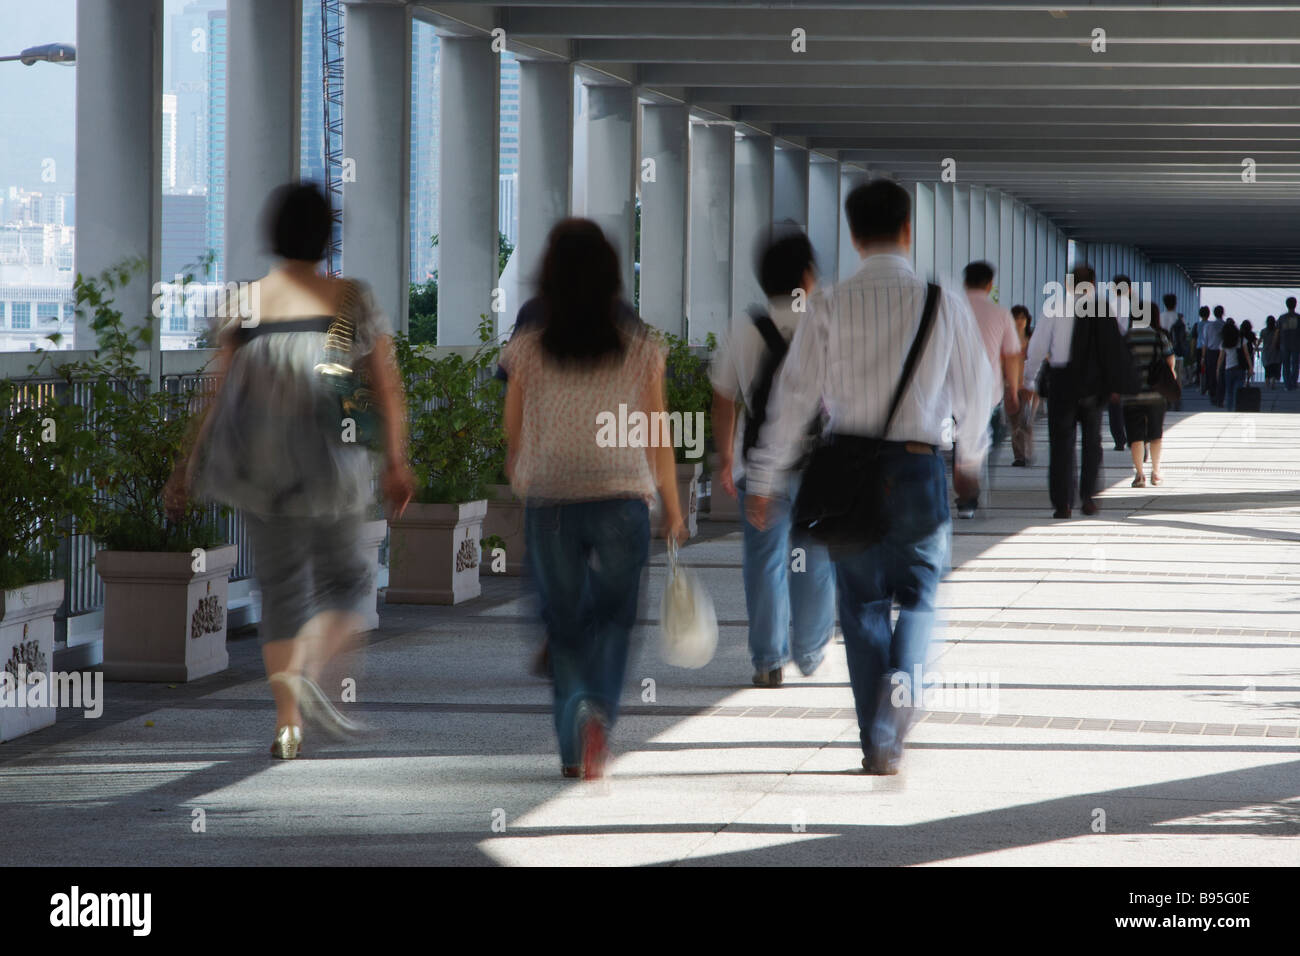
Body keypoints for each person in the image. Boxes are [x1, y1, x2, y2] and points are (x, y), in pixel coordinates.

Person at [744, 179, 995, 776]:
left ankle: (874, 742)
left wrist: (764, 476)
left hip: (847, 471)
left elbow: (794, 396)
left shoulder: (827, 304)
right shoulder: (944, 302)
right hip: (917, 467)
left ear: (854, 236)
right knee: (920, 595)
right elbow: (977, 390)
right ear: (908, 230)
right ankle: (895, 707)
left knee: (859, 607)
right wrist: (970, 459)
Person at [166, 182, 415, 760]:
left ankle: (287, 724)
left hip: (260, 466)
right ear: (326, 237)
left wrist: (185, 466)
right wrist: (396, 464)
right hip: (333, 464)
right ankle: (309, 666)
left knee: (278, 592)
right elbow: (386, 387)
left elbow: (215, 389)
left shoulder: (248, 299)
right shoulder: (351, 298)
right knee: (348, 582)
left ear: (274, 233)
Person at [500, 218, 686, 781]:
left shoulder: (527, 350)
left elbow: (511, 429)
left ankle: (574, 720)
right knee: (613, 617)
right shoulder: (641, 350)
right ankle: (599, 709)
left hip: (551, 496)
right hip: (620, 495)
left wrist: (522, 473)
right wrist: (673, 507)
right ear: (612, 277)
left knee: (563, 623)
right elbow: (658, 434)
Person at [711, 231, 836, 687]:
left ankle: (767, 660)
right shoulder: (824, 322)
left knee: (763, 562)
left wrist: (725, 458)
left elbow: (723, 398)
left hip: (757, 463)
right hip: (818, 465)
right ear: (807, 273)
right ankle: (809, 649)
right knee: (816, 556)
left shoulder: (744, 327)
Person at [1025, 264, 1128, 519]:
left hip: (1062, 380)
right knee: (1092, 443)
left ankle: (1063, 503)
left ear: (1068, 283)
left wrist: (1028, 379)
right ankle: (1089, 497)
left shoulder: (1055, 306)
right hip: (1093, 383)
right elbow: (1113, 349)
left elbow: (1037, 347)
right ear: (1094, 282)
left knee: (1061, 444)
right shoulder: (1105, 309)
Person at [957, 261, 1022, 517]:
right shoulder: (1000, 314)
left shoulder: (953, 309)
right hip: (989, 392)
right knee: (984, 440)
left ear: (964, 282)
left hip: (954, 390)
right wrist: (1013, 390)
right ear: (989, 284)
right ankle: (972, 492)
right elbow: (1012, 355)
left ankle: (965, 497)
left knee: (961, 440)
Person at [1122, 310, 1175, 487]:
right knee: (1155, 435)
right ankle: (1156, 472)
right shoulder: (1159, 337)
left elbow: (1118, 362)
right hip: (1156, 394)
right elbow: (1169, 360)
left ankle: (1139, 474)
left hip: (1131, 394)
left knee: (1135, 436)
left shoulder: (1126, 337)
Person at [1104, 274, 1132, 450]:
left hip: (1114, 353)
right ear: (1129, 288)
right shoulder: (1137, 307)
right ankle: (1134, 436)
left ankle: (1119, 439)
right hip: (1132, 352)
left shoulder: (1110, 306)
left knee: (1114, 398)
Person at [1010, 304, 1037, 466]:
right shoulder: (1007, 340)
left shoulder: (1032, 340)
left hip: (1030, 386)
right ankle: (1019, 456)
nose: (1020, 321)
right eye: (1016, 318)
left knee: (1027, 420)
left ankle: (1027, 452)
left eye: (1023, 318)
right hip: (1012, 385)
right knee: (1015, 422)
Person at [1218, 319, 1251, 411]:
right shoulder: (1241, 340)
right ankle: (1238, 409)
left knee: (1229, 392)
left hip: (1228, 369)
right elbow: (1247, 354)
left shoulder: (1224, 342)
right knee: (1239, 391)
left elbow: (1221, 358)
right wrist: (1250, 367)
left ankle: (1229, 410)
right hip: (1240, 369)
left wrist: (1217, 369)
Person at [1199, 305, 1224, 406]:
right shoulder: (1225, 325)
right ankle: (1220, 397)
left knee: (1211, 375)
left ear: (1213, 314)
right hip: (1223, 353)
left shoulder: (1208, 326)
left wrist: (1203, 357)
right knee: (1221, 375)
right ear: (1222, 313)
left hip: (1211, 353)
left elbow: (1204, 343)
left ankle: (1213, 396)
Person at [1278, 297, 1300, 390]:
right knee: (1295, 365)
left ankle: (1287, 384)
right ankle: (1294, 383)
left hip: (1284, 344)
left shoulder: (1282, 318)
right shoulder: (1298, 317)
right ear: (1295, 305)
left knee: (1285, 365)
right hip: (1296, 344)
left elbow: (1278, 331)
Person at [1262, 315, 1282, 388]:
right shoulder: (1277, 331)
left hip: (1266, 352)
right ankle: (1273, 382)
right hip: (1276, 352)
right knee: (1274, 368)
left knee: (1267, 370)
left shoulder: (1263, 331)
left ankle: (1267, 385)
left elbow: (1259, 341)